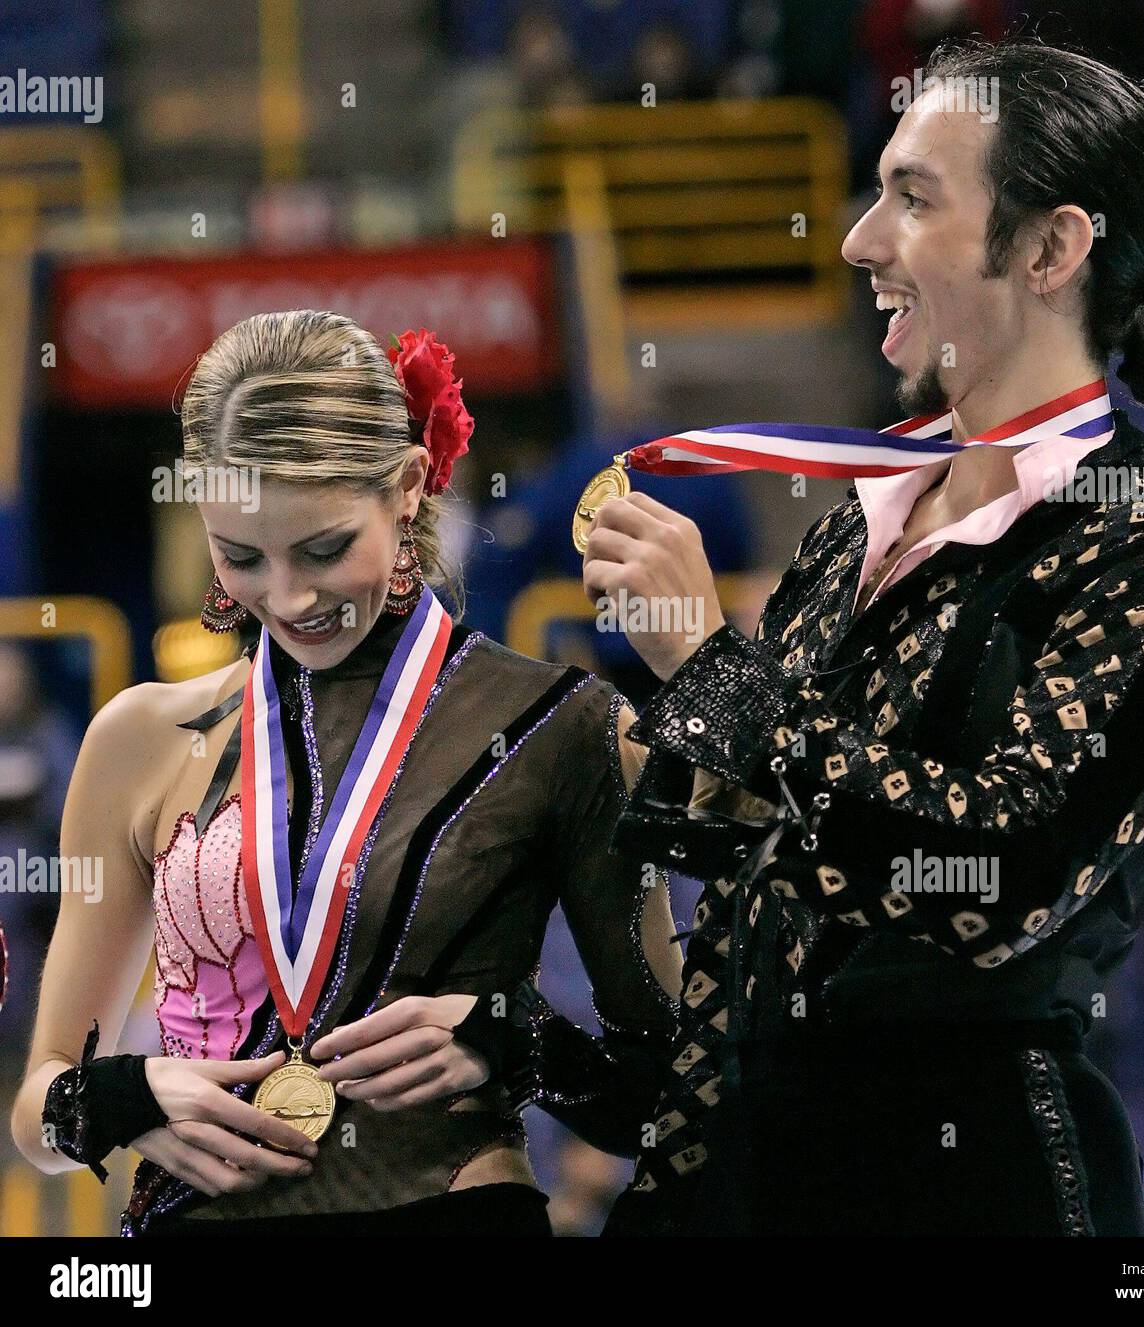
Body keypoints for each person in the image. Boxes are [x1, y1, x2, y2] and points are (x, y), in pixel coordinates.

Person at [580, 38, 1144, 1235]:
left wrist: (713, 668)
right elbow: (745, 867)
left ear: (1051, 249)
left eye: (911, 197)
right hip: (751, 1178)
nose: (856, 239)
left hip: (968, 1189)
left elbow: (999, 875)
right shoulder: (863, 518)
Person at [9, 311, 682, 1236]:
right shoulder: (138, 738)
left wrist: (514, 1039)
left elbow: (671, 1105)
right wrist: (121, 1098)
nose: (287, 598)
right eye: (240, 555)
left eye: (324, 549)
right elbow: (37, 1108)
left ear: (407, 487)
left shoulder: (558, 727)